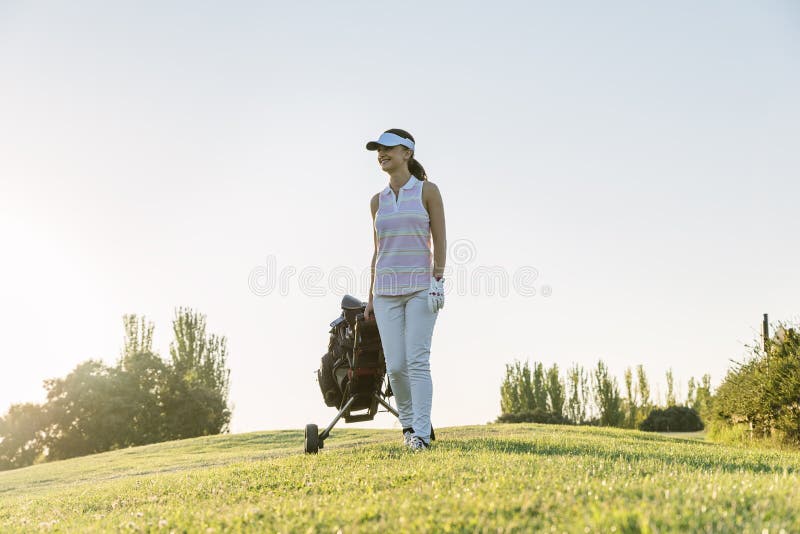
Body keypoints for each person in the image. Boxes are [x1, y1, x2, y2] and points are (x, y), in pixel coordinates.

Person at [363, 128, 446, 451]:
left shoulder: (427, 191)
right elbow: (377, 250)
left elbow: (440, 239)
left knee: (417, 361)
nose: (381, 154)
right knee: (395, 366)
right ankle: (409, 426)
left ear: (407, 154)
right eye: (378, 150)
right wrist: (370, 296)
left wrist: (438, 281)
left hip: (421, 290)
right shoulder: (377, 201)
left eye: (388, 149)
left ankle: (421, 435)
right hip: (385, 293)